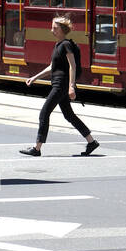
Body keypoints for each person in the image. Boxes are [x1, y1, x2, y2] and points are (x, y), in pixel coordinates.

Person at [21, 16, 100, 156]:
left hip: (61, 85)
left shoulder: (66, 45)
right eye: (52, 28)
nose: (52, 30)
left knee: (44, 113)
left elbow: (73, 66)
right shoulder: (58, 45)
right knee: (69, 115)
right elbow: (52, 67)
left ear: (63, 30)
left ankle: (37, 148)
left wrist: (71, 86)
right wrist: (34, 77)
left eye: (55, 28)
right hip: (58, 84)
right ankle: (91, 142)